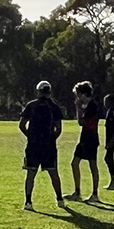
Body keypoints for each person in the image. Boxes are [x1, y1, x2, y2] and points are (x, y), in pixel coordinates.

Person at [19, 80, 65, 210]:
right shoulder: (54, 107)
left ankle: (28, 202)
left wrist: (31, 136)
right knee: (54, 173)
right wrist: (51, 139)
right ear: (49, 92)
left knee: (30, 174)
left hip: (33, 145)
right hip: (49, 146)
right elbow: (58, 128)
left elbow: (22, 125)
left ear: (38, 91)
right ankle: (60, 199)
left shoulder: (31, 106)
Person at [69, 81, 103, 202]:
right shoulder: (88, 106)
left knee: (93, 165)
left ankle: (95, 194)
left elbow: (83, 122)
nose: (77, 98)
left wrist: (78, 109)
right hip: (85, 138)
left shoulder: (92, 106)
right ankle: (77, 192)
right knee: (74, 163)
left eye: (78, 95)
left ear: (83, 94)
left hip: (90, 139)